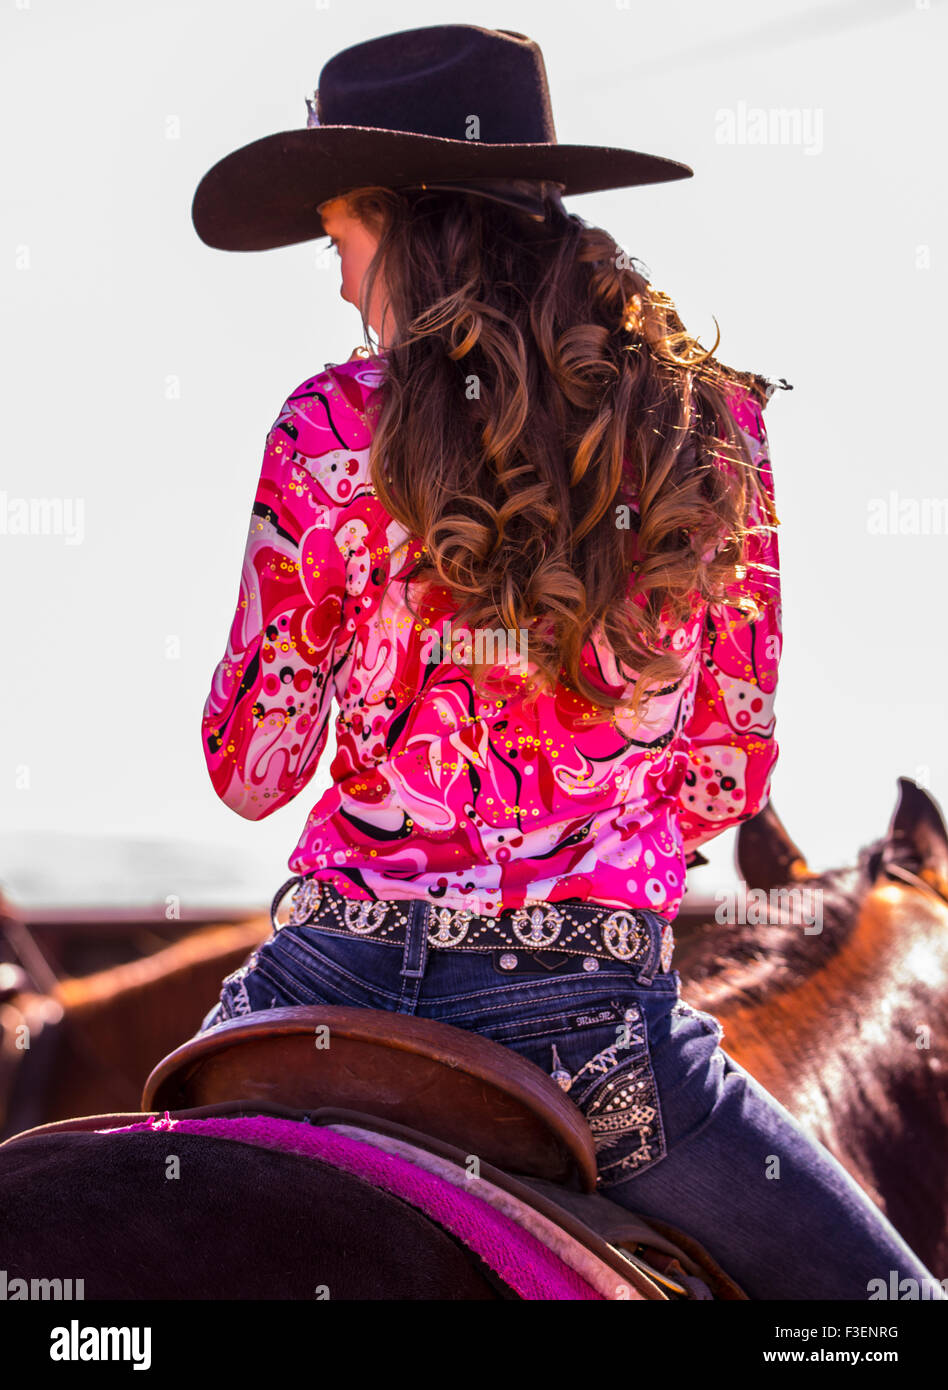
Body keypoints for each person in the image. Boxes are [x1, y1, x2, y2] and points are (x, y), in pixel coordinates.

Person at [189, 24, 944, 1301]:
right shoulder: (717, 433)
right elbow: (722, 779)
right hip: (592, 1036)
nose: (335, 285)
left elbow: (253, 773)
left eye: (339, 243)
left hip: (328, 986)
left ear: (406, 221)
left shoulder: (321, 431)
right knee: (892, 1318)